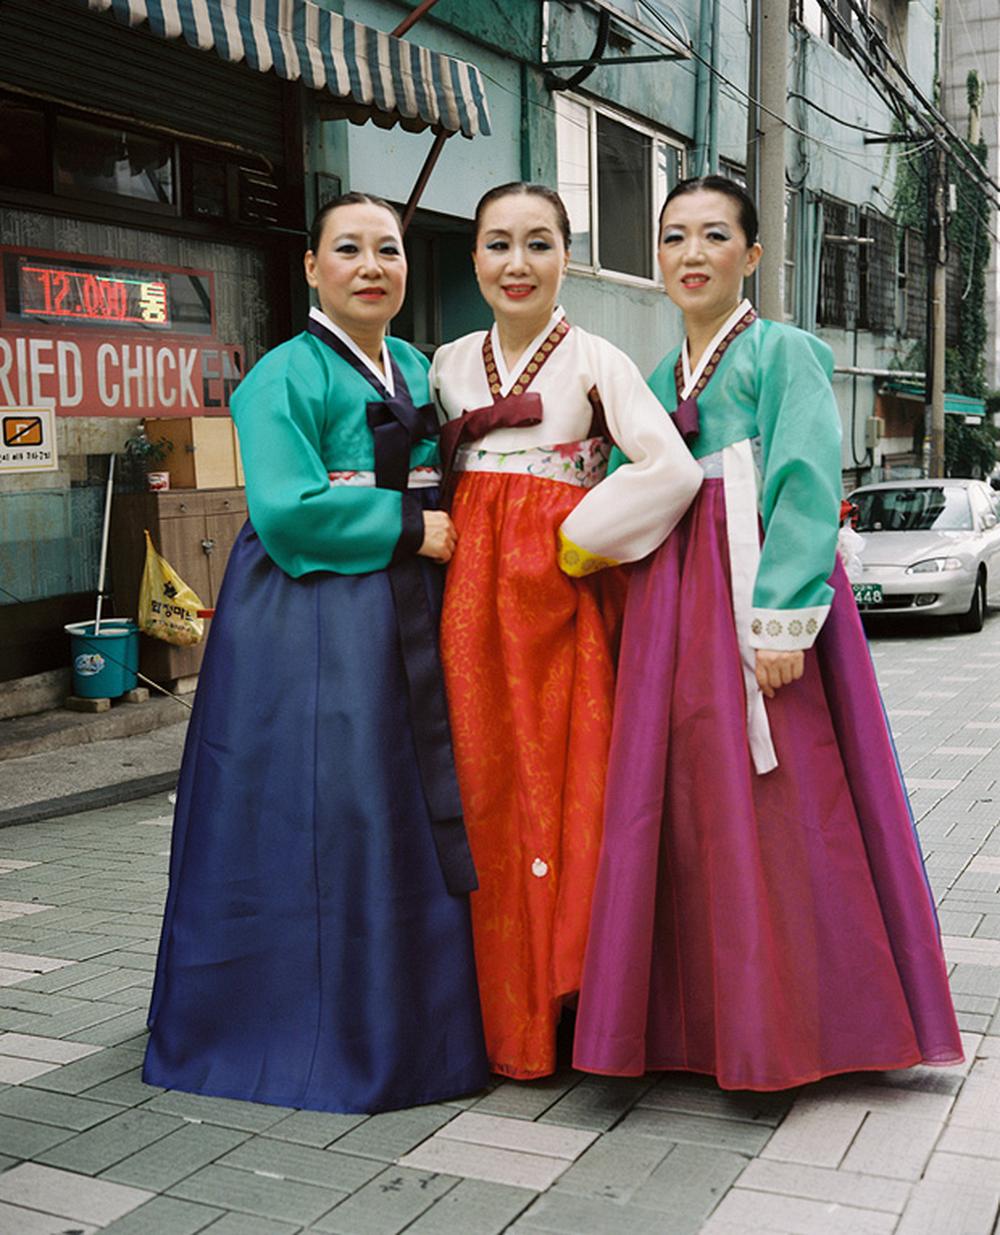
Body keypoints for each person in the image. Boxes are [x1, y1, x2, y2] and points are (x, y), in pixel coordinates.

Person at [573, 175, 963, 1090]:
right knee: (688, 804)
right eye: (674, 237)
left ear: (752, 257)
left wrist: (783, 619)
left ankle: (799, 1022)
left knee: (787, 798)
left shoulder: (785, 352)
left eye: (715, 236)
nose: (691, 253)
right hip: (675, 597)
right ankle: (699, 1022)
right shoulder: (660, 376)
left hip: (753, 595)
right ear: (656, 258)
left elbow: (802, 485)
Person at [143, 192, 489, 1113]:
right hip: (312, 615)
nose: (372, 266)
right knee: (330, 805)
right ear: (310, 267)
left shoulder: (414, 364)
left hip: (406, 598)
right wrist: (408, 525)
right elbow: (288, 510)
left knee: (401, 801)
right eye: (349, 249)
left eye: (388, 250)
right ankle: (305, 1025)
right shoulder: (281, 375)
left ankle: (416, 1014)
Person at [430, 182, 703, 1080]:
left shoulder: (596, 358)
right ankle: (489, 1012)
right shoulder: (445, 364)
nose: (518, 264)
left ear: (567, 258)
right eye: (499, 244)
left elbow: (670, 468)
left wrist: (580, 539)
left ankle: (563, 1008)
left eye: (539, 244)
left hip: (558, 605)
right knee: (480, 789)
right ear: (473, 257)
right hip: (467, 608)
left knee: (560, 789)